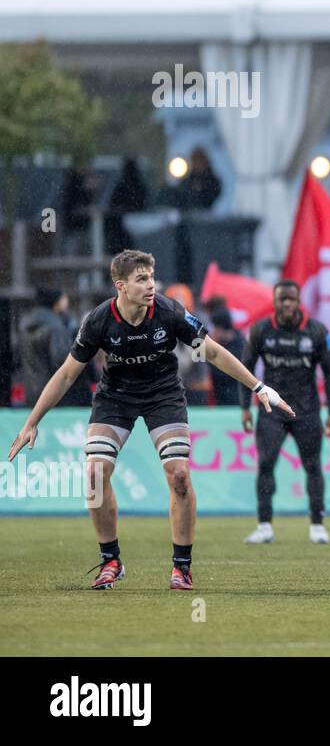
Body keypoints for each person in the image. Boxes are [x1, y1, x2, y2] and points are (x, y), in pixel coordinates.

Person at [6, 249, 293, 590]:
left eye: (151, 277)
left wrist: (259, 387)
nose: (150, 285)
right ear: (121, 286)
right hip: (116, 396)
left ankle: (181, 567)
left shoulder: (170, 312)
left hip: (163, 393)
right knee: (96, 472)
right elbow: (67, 374)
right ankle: (111, 560)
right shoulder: (98, 321)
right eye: (141, 279)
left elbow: (211, 351)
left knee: (180, 475)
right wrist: (32, 421)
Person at [240, 281, 330, 545]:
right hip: (271, 411)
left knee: (313, 466)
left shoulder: (317, 331)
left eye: (291, 299)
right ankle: (264, 526)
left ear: (298, 302)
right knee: (265, 464)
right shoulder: (260, 330)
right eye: (282, 299)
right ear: (274, 302)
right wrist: (244, 408)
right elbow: (245, 369)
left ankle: (317, 524)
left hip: (306, 411)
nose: (286, 304)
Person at [19, 288, 85, 407]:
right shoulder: (56, 327)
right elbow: (62, 361)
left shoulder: (26, 325)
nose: (67, 301)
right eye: (64, 297)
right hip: (53, 393)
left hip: (31, 390)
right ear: (57, 302)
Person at [207, 307, 247, 406]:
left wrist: (210, 361)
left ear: (221, 328)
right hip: (220, 397)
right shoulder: (220, 343)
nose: (213, 332)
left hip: (235, 398)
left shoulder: (240, 345)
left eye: (215, 328)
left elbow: (228, 372)